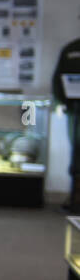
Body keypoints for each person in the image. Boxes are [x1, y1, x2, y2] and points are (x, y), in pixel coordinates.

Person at [51, 29, 80, 212]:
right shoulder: (71, 49)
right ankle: (76, 196)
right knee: (77, 150)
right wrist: (60, 102)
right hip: (75, 110)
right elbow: (58, 79)